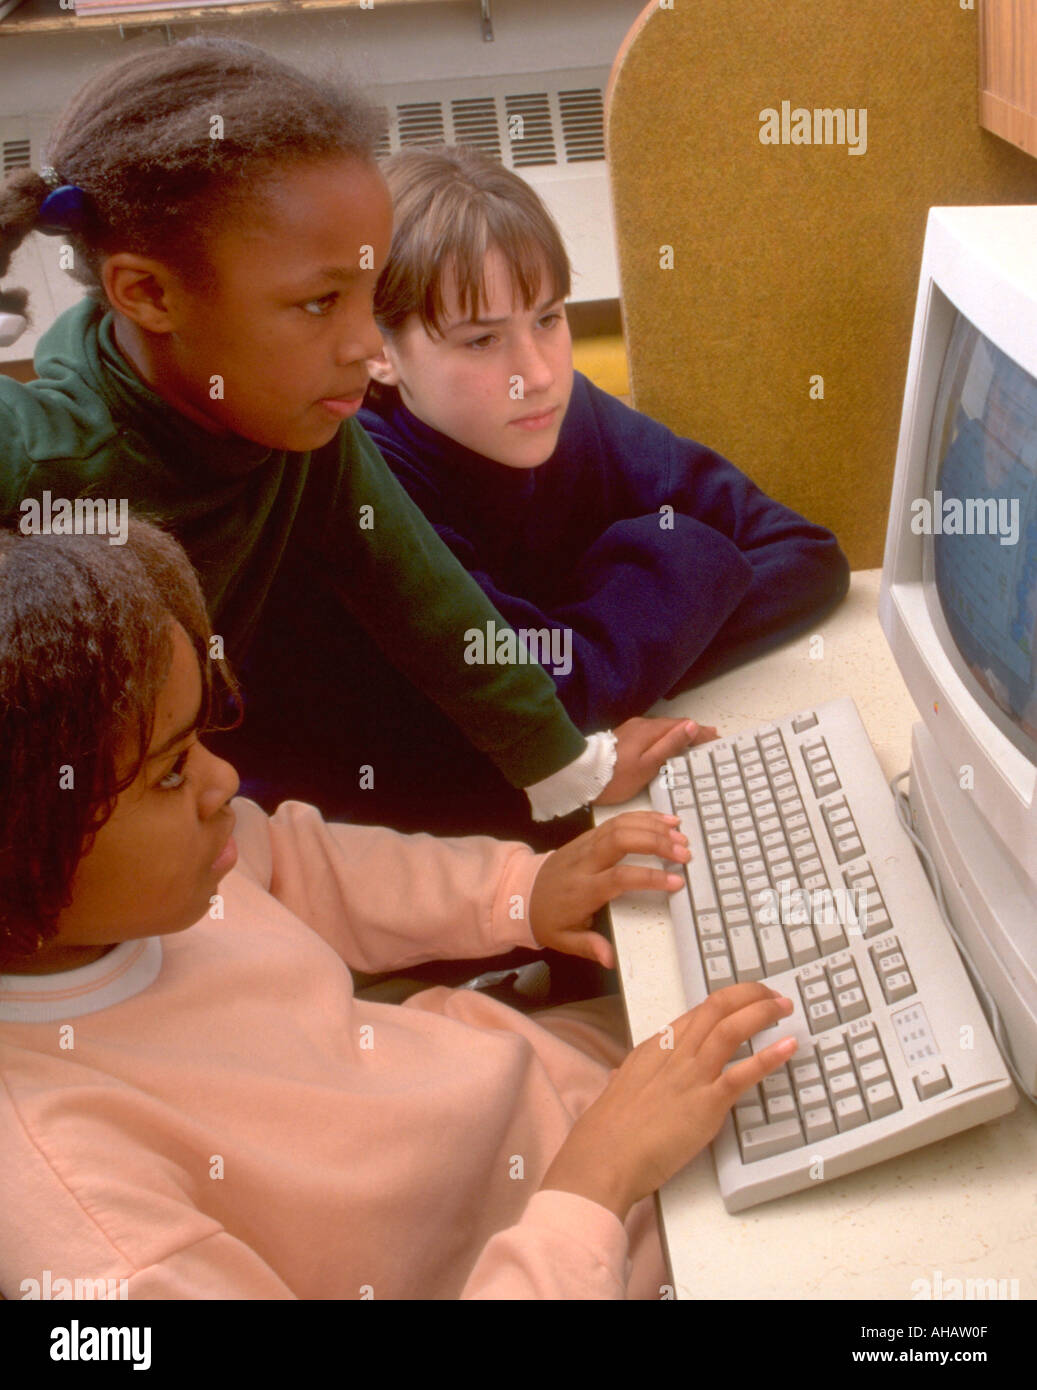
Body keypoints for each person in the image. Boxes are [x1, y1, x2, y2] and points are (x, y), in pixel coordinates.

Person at [0, 521, 797, 1299]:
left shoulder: (162, 881)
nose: (224, 783)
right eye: (171, 771)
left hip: (536, 1089)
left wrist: (518, 891)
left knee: (810, 997)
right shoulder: (88, 1223)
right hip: (584, 1237)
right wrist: (596, 1180)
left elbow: (303, 864)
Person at [0, 37, 702, 851]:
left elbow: (423, 600)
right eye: (318, 302)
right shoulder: (46, 456)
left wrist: (563, 764)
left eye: (369, 296)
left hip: (195, 818)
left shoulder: (301, 425)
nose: (366, 344)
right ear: (149, 294)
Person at [360, 144, 851, 740]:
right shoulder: (369, 487)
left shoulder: (569, 412)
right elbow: (543, 708)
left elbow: (807, 555)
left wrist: (603, 673)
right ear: (379, 353)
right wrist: (675, 561)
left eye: (547, 319)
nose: (539, 376)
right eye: (482, 341)